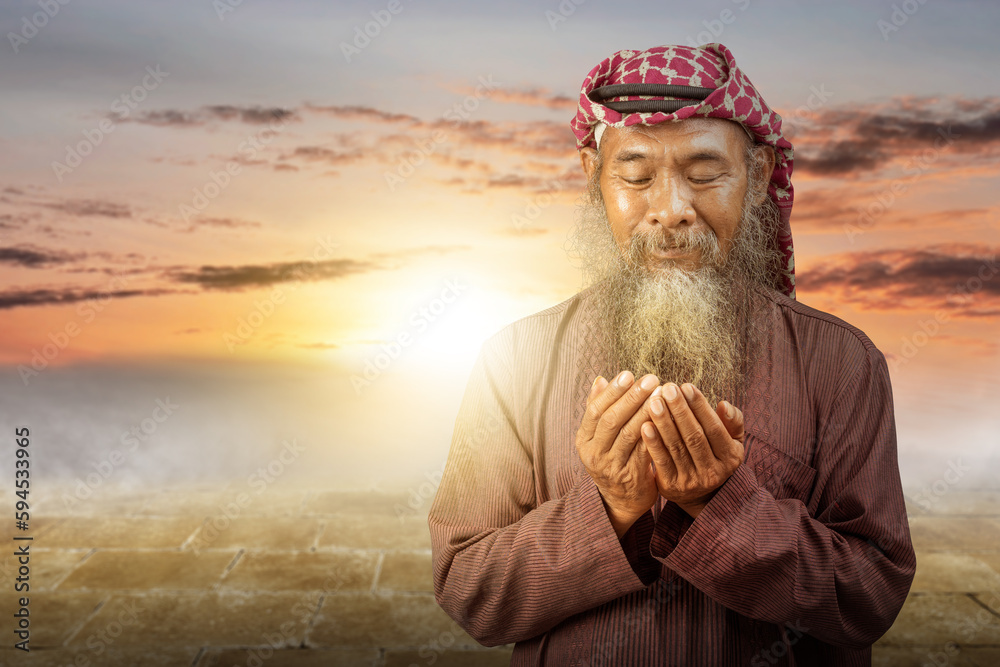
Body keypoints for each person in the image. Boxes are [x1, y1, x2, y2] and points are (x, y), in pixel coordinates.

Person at [428, 43, 915, 666]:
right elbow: (471, 590)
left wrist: (723, 508)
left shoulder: (842, 362)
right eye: (635, 177)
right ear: (592, 176)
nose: (671, 210)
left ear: (759, 176)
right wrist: (610, 508)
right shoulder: (515, 359)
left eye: (705, 173)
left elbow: (872, 597)